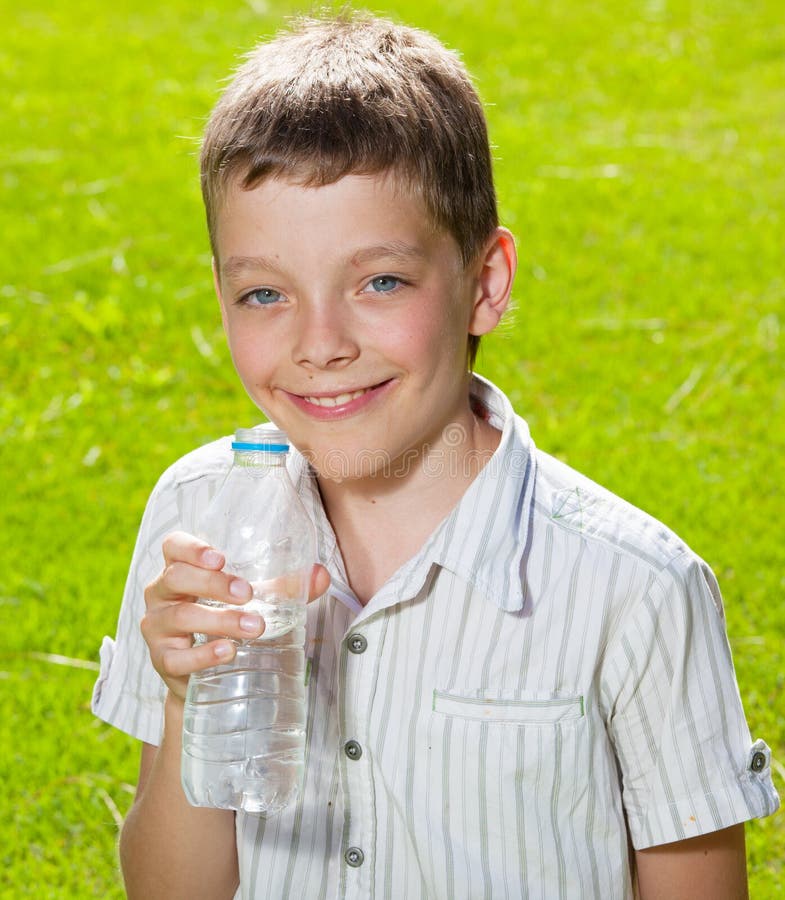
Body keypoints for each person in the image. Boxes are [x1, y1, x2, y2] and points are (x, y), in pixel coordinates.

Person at [91, 11, 779, 899]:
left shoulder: (634, 590)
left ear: (483, 284)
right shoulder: (197, 519)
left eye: (379, 281)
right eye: (264, 292)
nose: (320, 342)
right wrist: (190, 702)